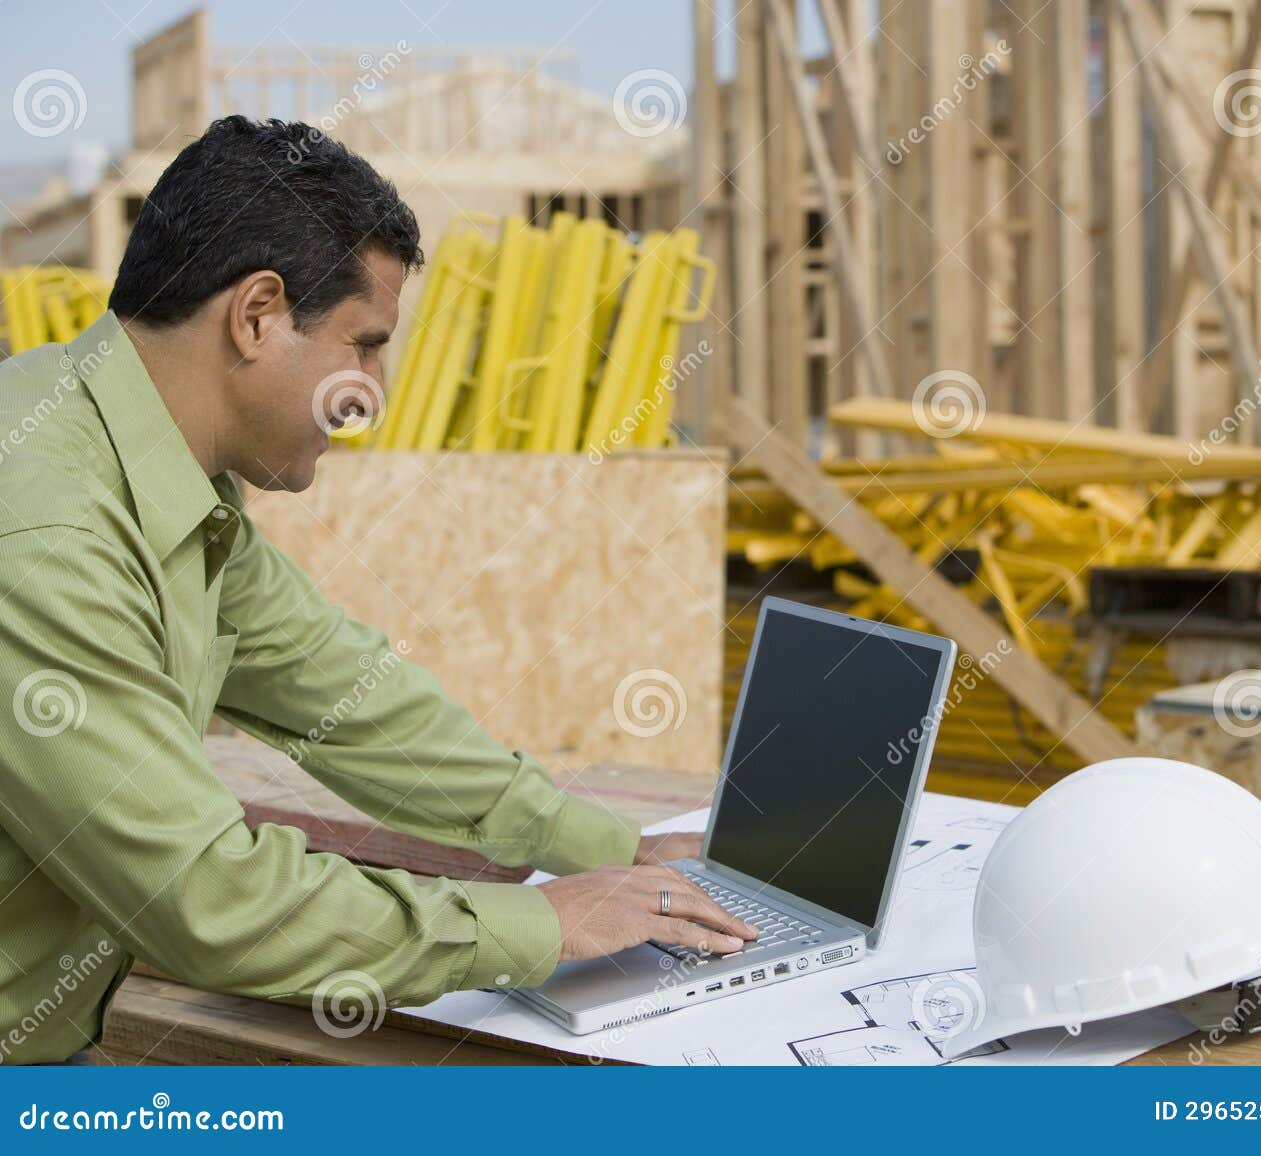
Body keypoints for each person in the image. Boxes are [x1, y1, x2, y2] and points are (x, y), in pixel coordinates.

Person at [0, 116, 753, 1065]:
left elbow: (340, 689)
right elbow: (205, 899)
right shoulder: (43, 532)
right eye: (364, 344)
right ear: (258, 315)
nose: (373, 391)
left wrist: (601, 848)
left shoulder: (150, 469)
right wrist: (544, 926)